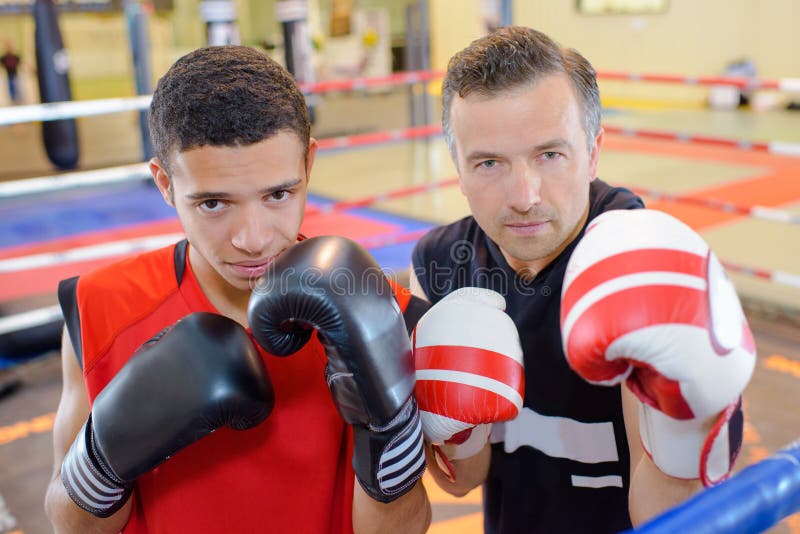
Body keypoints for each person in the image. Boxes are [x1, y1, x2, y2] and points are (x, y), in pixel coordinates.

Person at [44, 45, 432, 533]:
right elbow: (69, 526)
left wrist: (389, 435)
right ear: (165, 184)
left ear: (308, 166)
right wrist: (102, 459)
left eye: (278, 194)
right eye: (213, 203)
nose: (252, 239)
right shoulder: (99, 307)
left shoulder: (382, 315)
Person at [409, 26, 751, 532]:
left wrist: (686, 431)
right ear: (457, 169)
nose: (524, 195)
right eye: (488, 163)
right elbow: (462, 480)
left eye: (550, 155)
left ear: (592, 153)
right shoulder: (440, 262)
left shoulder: (634, 261)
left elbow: (658, 517)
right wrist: (460, 431)